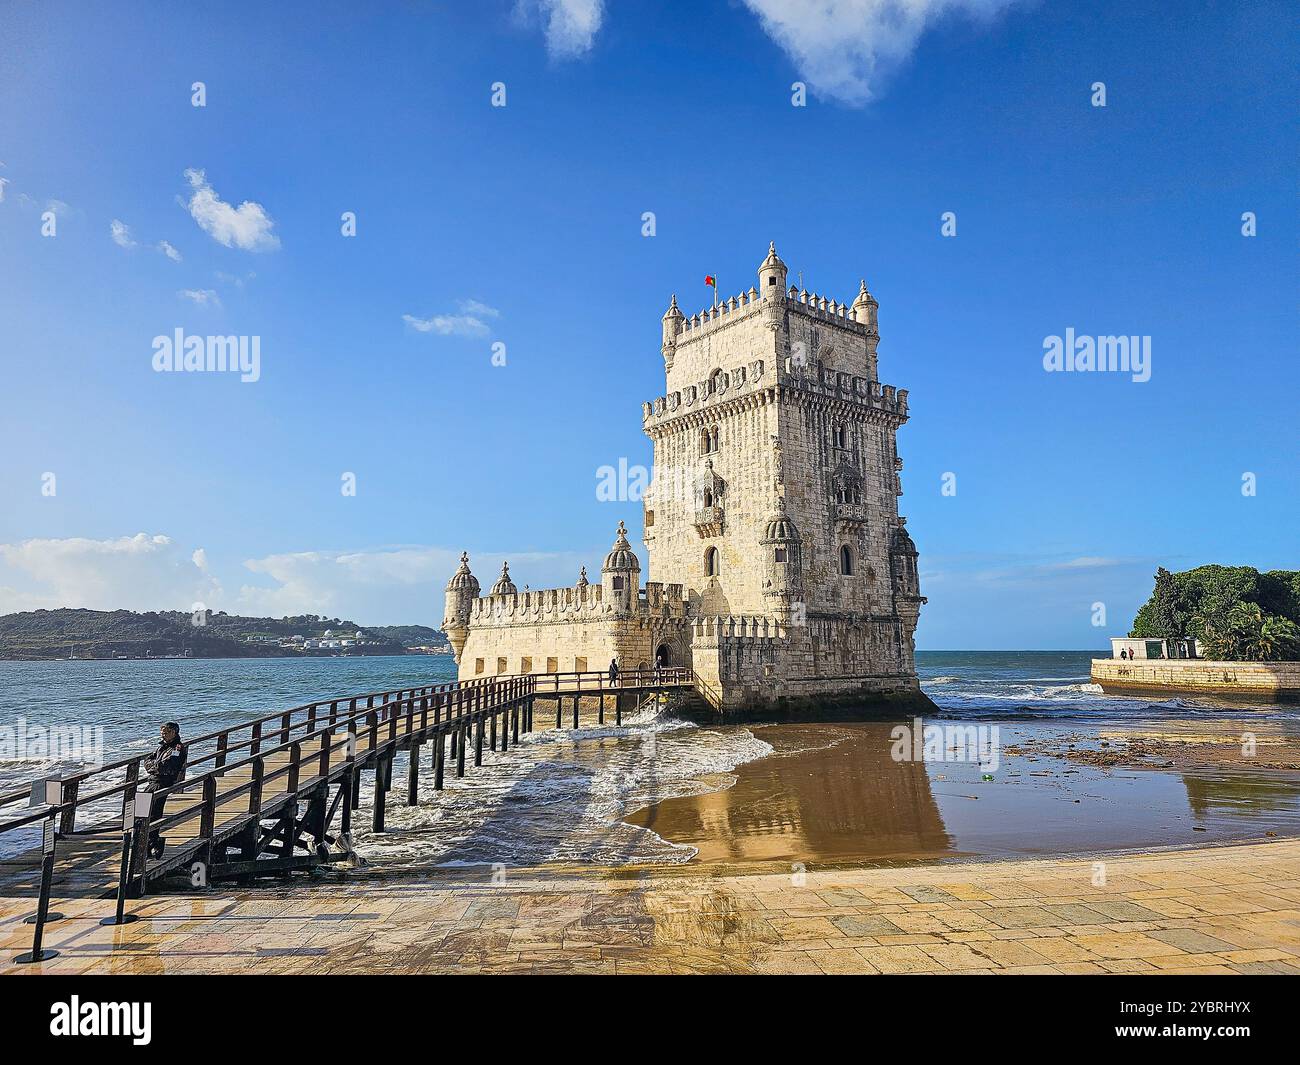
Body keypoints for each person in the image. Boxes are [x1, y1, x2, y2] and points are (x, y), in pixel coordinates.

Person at [143, 722, 186, 859]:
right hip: (152, 782)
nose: (163, 734)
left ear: (174, 732)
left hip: (162, 783)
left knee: (155, 813)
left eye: (166, 731)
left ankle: (154, 842)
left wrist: (153, 766)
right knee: (141, 812)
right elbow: (147, 761)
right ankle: (143, 842)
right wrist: (154, 765)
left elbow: (166, 766)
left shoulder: (177, 748)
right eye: (162, 731)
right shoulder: (161, 746)